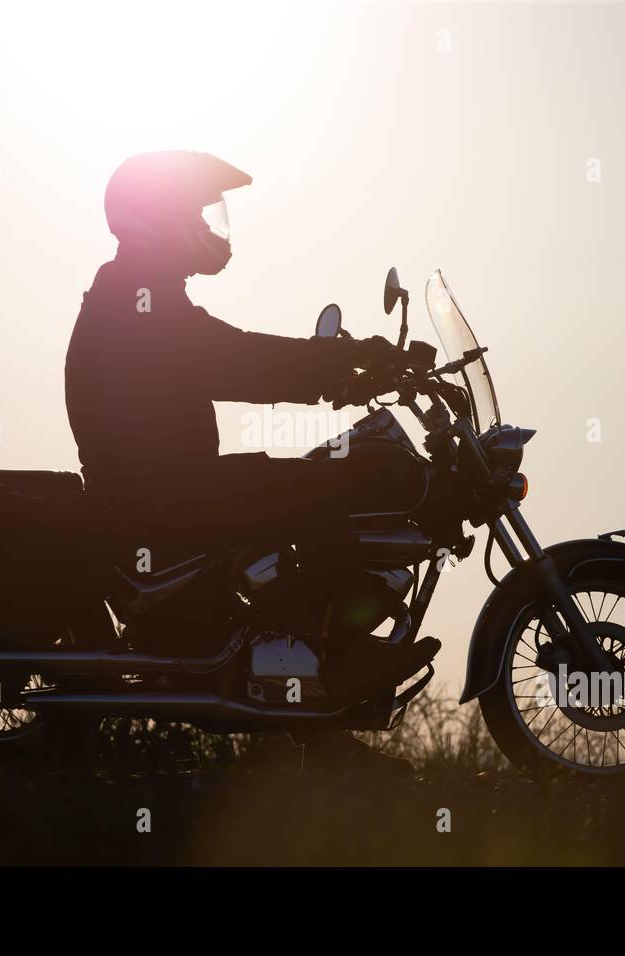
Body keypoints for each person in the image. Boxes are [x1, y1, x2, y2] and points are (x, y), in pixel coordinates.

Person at [65, 151, 439, 774]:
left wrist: (336, 368)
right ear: (159, 218)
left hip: (165, 483)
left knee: (309, 479)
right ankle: (329, 664)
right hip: (163, 492)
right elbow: (233, 359)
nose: (210, 226)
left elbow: (226, 355)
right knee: (326, 486)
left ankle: (307, 679)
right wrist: (338, 364)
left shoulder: (141, 292)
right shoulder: (139, 299)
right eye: (195, 211)